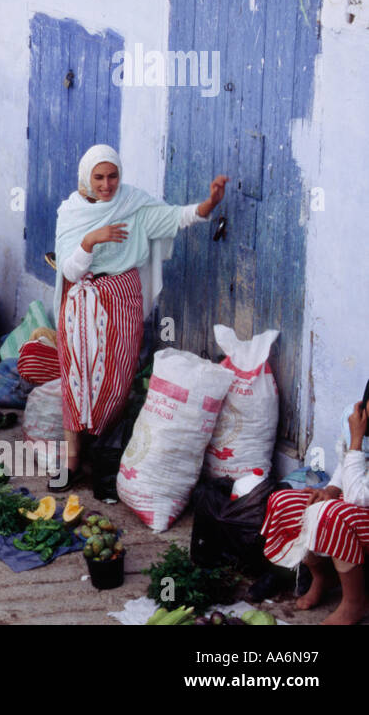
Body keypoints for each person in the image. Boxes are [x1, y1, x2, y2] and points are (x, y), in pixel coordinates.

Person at [53, 144, 226, 478]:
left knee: (117, 380)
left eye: (113, 175)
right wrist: (91, 240)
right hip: (79, 301)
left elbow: (176, 217)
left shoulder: (133, 205)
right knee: (76, 378)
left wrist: (209, 204)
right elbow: (70, 272)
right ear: (86, 178)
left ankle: (105, 454)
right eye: (99, 177)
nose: (107, 185)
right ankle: (71, 462)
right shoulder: (71, 212)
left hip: (122, 298)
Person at [261, 394, 369, 625]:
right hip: (355, 494)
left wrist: (357, 440)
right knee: (285, 502)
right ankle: (323, 576)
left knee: (330, 515)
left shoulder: (359, 431)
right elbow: (346, 460)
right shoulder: (356, 415)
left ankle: (355, 603)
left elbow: (358, 498)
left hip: (362, 501)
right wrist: (331, 489)